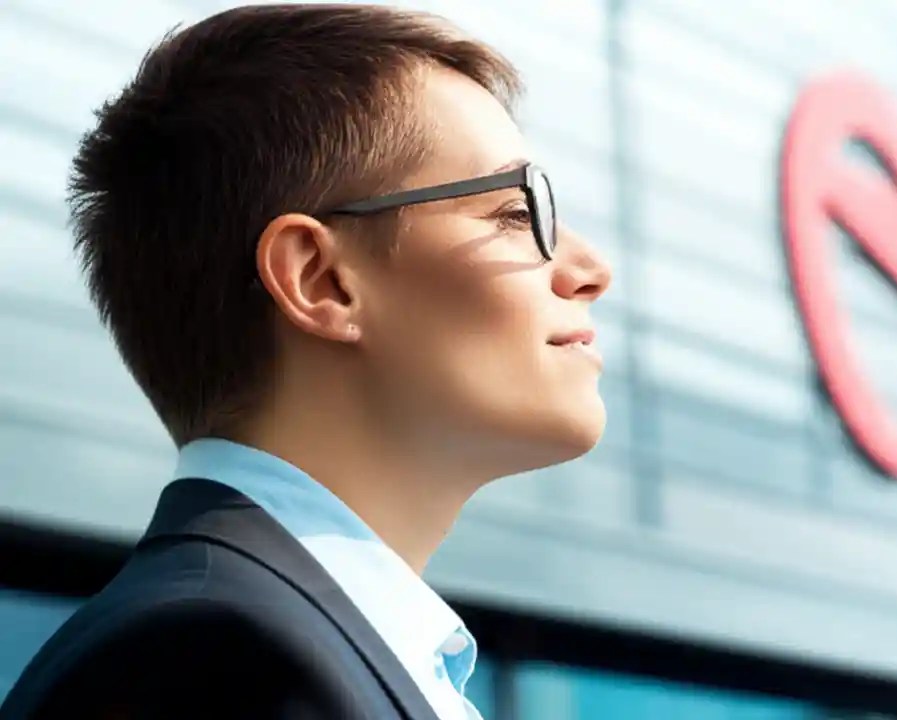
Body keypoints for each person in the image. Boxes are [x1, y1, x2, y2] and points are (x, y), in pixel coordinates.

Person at [0, 4, 611, 719]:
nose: (590, 269)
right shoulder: (215, 656)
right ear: (320, 279)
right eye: (515, 212)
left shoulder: (299, 644)